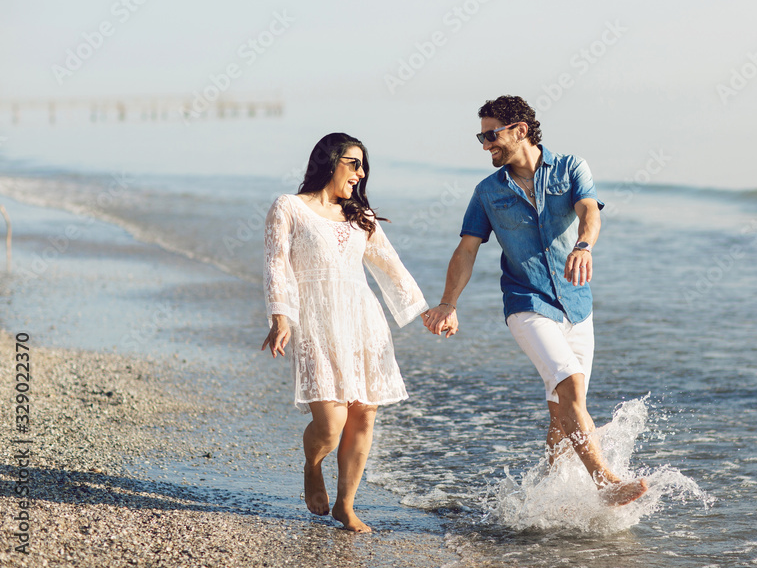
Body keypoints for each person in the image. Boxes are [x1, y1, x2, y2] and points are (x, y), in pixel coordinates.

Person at [423, 95, 647, 506]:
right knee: (572, 387)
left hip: (578, 305)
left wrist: (584, 246)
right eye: (482, 136)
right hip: (526, 303)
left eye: (491, 135)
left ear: (520, 130)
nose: (485, 144)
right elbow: (467, 250)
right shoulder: (488, 192)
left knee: (560, 411)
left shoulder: (570, 167)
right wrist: (448, 302)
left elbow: (589, 212)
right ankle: (606, 483)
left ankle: (548, 496)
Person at [261, 133, 431, 532]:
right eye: (353, 163)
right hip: (316, 322)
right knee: (330, 425)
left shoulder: (360, 217)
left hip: (363, 322)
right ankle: (313, 465)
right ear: (329, 160)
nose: (361, 173)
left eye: (363, 165)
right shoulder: (289, 207)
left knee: (364, 414)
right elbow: (275, 264)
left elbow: (391, 266)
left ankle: (346, 504)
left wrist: (427, 311)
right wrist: (280, 316)